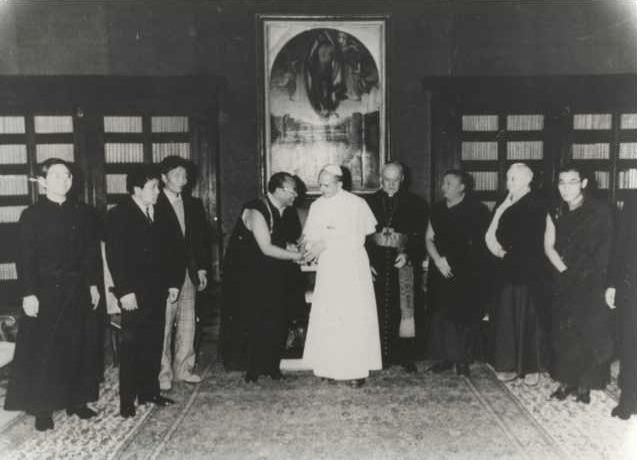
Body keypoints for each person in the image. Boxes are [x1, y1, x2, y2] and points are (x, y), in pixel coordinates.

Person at [4, 158, 101, 432]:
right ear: (43, 181)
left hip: (77, 290)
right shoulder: (31, 215)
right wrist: (29, 294)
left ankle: (77, 401)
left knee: (78, 346)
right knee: (44, 350)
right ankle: (43, 409)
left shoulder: (84, 213)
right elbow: (25, 258)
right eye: (57, 176)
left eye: (68, 175)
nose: (64, 180)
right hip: (45, 292)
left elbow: (90, 255)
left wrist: (93, 285)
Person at [105, 164, 182, 418]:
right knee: (131, 346)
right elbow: (115, 256)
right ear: (136, 189)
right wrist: (124, 292)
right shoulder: (119, 214)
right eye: (152, 187)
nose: (157, 191)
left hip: (157, 291)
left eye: (157, 187)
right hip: (132, 294)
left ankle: (150, 391)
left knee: (153, 343)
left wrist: (173, 283)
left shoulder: (161, 211)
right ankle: (127, 401)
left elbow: (173, 250)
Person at [302, 164, 382, 387]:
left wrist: (324, 243)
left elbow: (357, 238)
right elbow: (310, 235)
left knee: (352, 318)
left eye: (327, 185)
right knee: (329, 316)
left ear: (340, 184)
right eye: (320, 184)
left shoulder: (356, 204)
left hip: (352, 267)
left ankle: (355, 371)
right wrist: (311, 246)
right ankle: (328, 367)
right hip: (329, 268)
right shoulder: (317, 205)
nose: (322, 188)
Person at [220, 172, 303, 382]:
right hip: (248, 275)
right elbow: (266, 247)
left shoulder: (288, 211)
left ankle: (272, 367)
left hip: (274, 272)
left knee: (279, 319)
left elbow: (285, 240)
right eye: (292, 190)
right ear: (277, 190)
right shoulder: (256, 209)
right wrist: (297, 256)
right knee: (256, 320)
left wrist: (295, 247)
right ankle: (252, 369)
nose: (296, 194)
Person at [544, 164, 615, 404]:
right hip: (564, 279)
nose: (565, 188)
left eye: (572, 182)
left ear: (584, 183)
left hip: (592, 281)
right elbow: (548, 246)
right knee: (565, 334)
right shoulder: (555, 210)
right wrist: (564, 271)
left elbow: (606, 250)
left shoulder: (601, 211)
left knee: (590, 333)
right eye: (561, 182)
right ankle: (567, 382)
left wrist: (596, 280)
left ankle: (586, 385)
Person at [485, 162, 548, 384]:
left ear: (527, 181)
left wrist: (507, 250)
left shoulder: (536, 204)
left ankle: (531, 368)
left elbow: (532, 240)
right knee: (507, 316)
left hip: (528, 269)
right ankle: (509, 364)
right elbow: (492, 232)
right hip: (507, 267)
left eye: (514, 179)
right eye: (509, 178)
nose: (509, 183)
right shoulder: (505, 202)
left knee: (527, 317)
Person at [426, 169, 491, 376]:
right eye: (443, 183)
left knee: (463, 315)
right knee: (441, 314)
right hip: (440, 268)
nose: (443, 187)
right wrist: (438, 260)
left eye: (449, 184)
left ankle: (462, 360)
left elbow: (476, 245)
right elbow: (429, 238)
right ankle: (444, 358)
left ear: (462, 187)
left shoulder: (476, 210)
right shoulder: (437, 209)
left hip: (465, 270)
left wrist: (450, 261)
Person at [155, 156, 211, 391]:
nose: (182, 180)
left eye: (185, 175)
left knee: (188, 323)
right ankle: (162, 373)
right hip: (165, 275)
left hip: (189, 274)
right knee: (164, 325)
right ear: (164, 178)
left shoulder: (194, 204)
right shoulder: (154, 204)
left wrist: (202, 268)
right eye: (177, 175)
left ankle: (184, 368)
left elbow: (200, 242)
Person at [366, 162, 428, 372]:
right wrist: (367, 262)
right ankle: (378, 355)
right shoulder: (369, 202)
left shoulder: (416, 203)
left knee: (405, 308)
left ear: (403, 179)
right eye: (386, 180)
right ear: (380, 179)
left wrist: (408, 254)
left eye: (395, 180)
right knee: (377, 308)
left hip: (403, 263)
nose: (391, 185)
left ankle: (405, 356)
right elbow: (361, 236)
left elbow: (421, 237)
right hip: (376, 264)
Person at [606, 193, 637, 419]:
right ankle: (628, 399)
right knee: (630, 344)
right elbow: (620, 245)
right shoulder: (634, 200)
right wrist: (612, 285)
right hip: (631, 286)